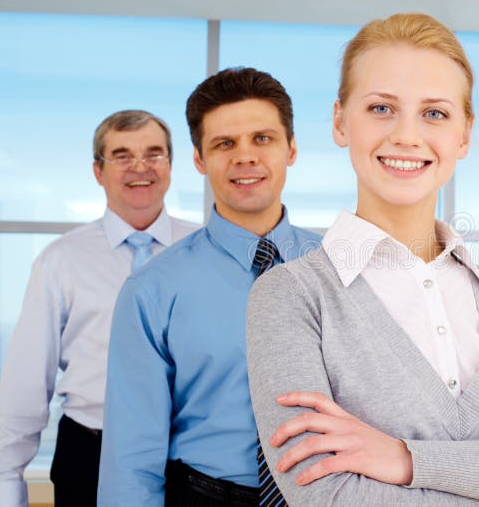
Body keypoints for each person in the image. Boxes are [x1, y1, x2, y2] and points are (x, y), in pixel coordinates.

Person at [246, 13, 479, 506]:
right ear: (340, 121)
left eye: (435, 113)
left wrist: (404, 460)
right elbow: (330, 497)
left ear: (464, 134)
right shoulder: (289, 297)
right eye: (381, 108)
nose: (406, 135)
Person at [97, 68, 320, 506]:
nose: (245, 157)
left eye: (262, 138)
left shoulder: (344, 268)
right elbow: (132, 458)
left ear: (291, 148)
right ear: (199, 159)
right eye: (224, 144)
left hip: (333, 493)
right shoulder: (152, 290)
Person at [0, 110, 199, 507]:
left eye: (154, 154)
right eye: (122, 155)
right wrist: (8, 488)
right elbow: (25, 387)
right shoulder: (60, 260)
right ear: (98, 170)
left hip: (190, 458)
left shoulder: (203, 250)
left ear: (171, 166)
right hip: (89, 455)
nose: (140, 168)